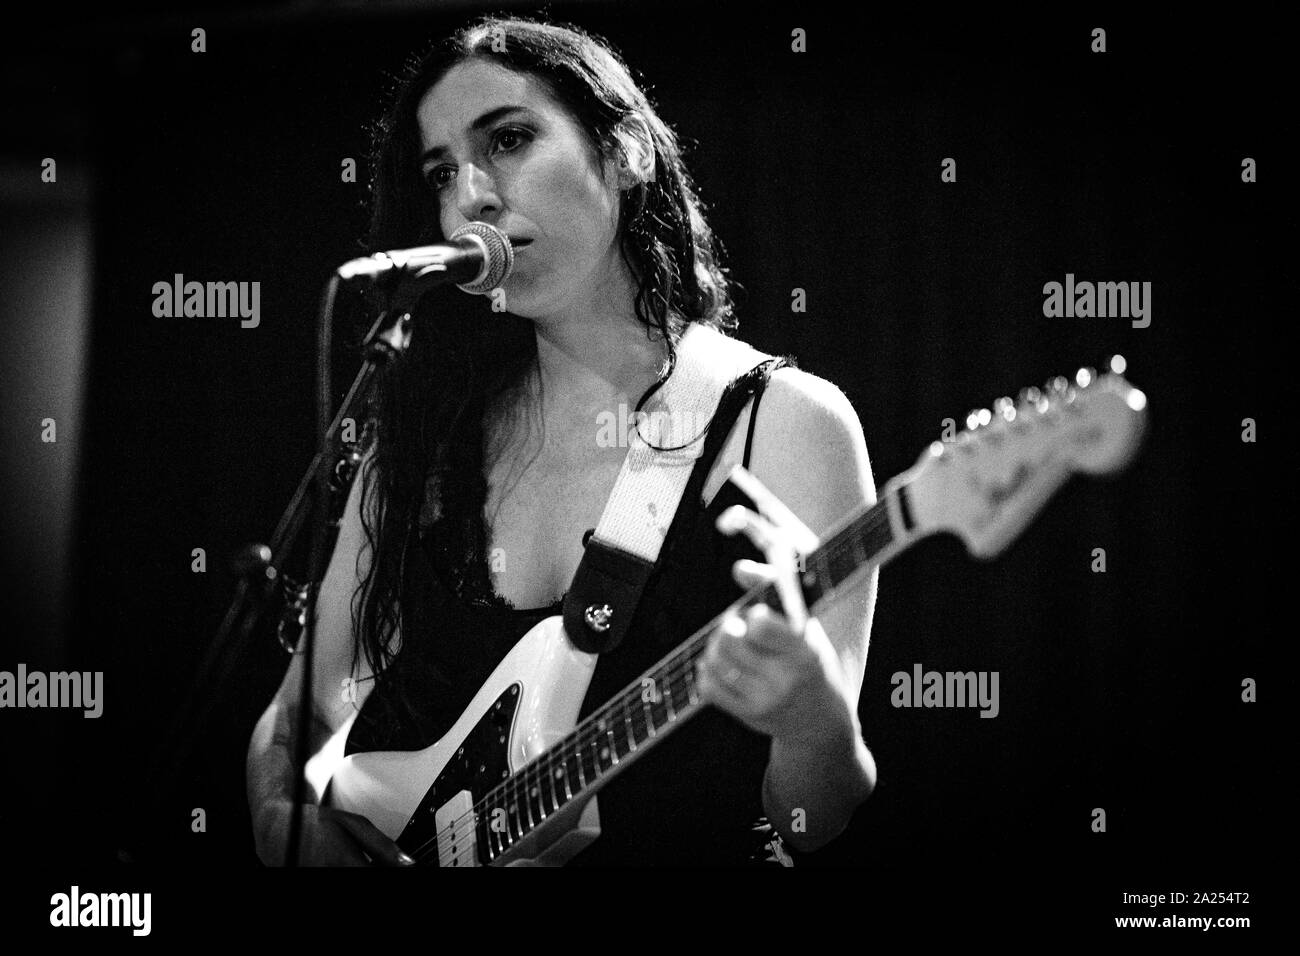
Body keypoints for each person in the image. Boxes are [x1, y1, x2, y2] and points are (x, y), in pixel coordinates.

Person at [246, 14, 878, 866]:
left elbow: (814, 820)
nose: (471, 197)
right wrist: (284, 823)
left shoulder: (790, 424)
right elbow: (300, 715)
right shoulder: (422, 447)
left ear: (628, 152)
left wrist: (811, 719)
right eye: (442, 173)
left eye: (508, 139)